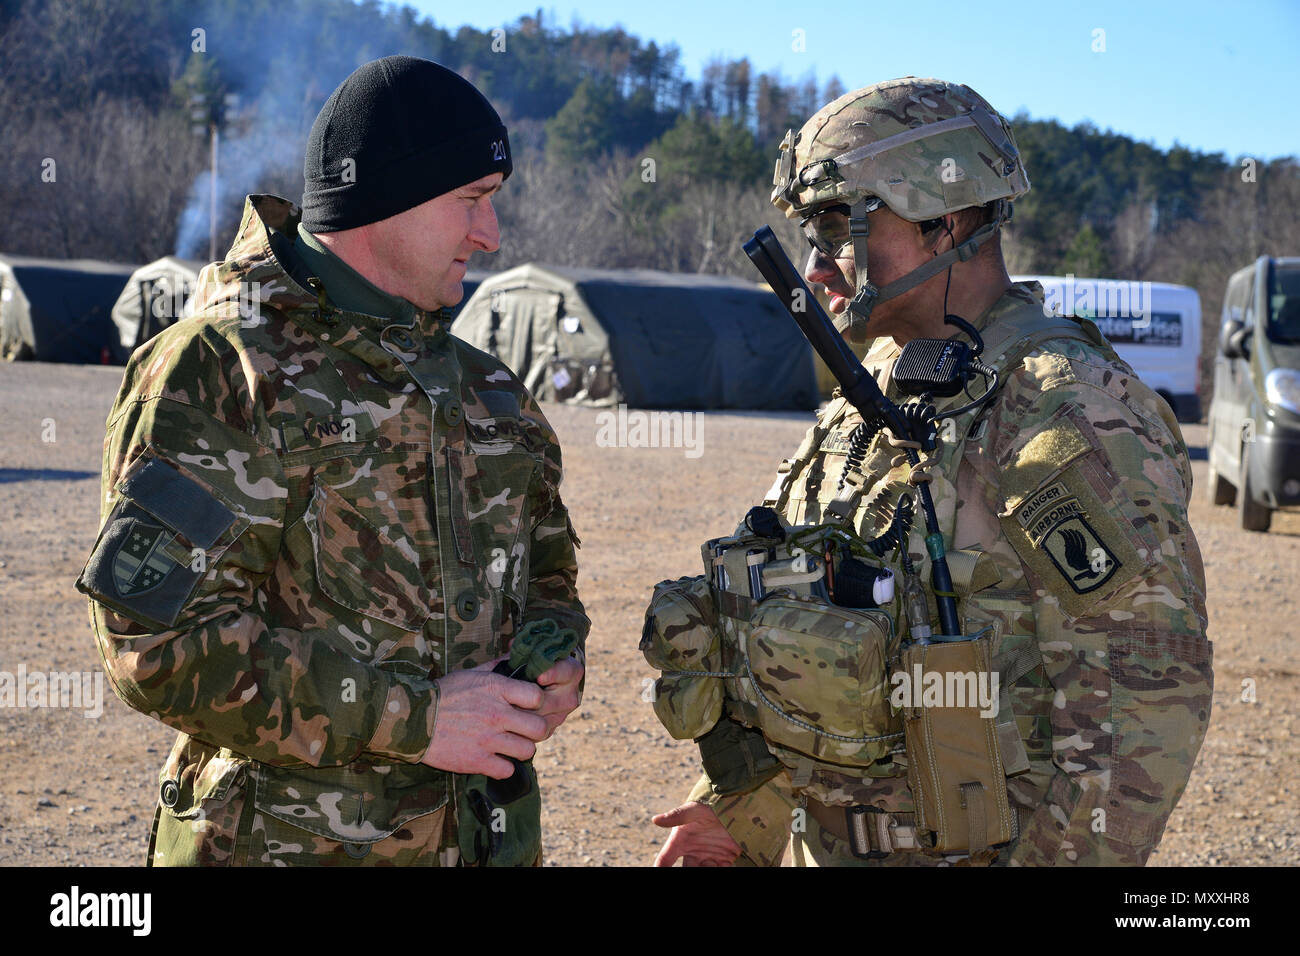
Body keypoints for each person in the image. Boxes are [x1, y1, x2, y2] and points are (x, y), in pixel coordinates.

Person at [650, 77, 1211, 866]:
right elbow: (806, 625)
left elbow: (1142, 710)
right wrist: (737, 815)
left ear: (945, 223)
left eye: (839, 228)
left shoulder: (1064, 407)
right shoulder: (873, 381)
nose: (816, 269)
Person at [77, 56, 588, 866]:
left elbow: (550, 576)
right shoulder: (221, 370)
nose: (490, 236)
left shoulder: (490, 390)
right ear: (384, 198)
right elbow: (157, 646)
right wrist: (416, 719)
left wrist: (553, 658)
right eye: (472, 202)